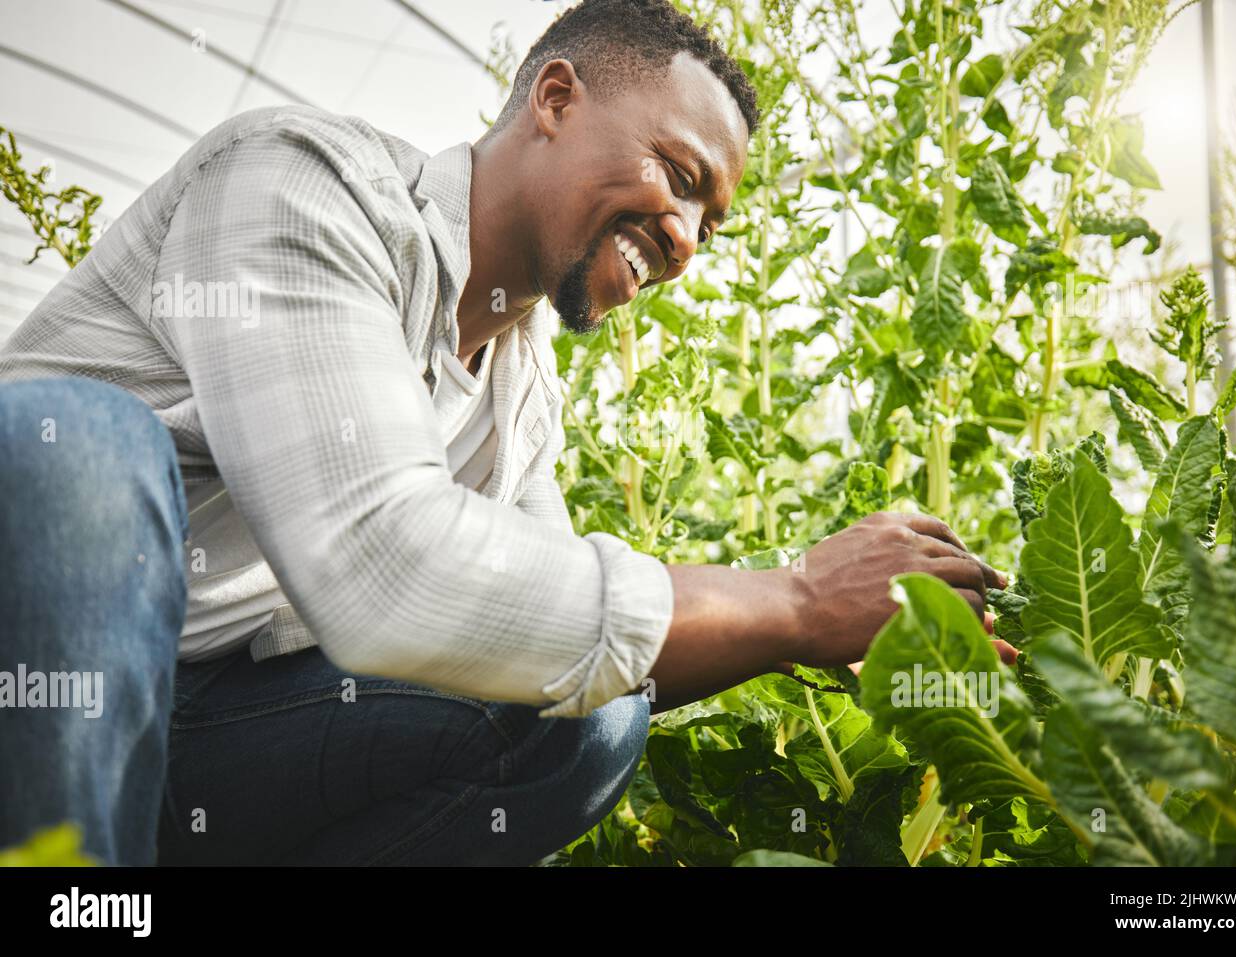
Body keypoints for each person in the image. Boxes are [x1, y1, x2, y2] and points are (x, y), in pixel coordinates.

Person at [0, 0, 1006, 866]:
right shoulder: (303, 182)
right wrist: (788, 599)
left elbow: (546, 635)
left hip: (192, 743)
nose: (687, 240)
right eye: (679, 176)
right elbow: (381, 568)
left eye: (711, 221)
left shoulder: (519, 398)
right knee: (78, 443)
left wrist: (809, 623)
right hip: (36, 706)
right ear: (555, 98)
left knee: (575, 721)